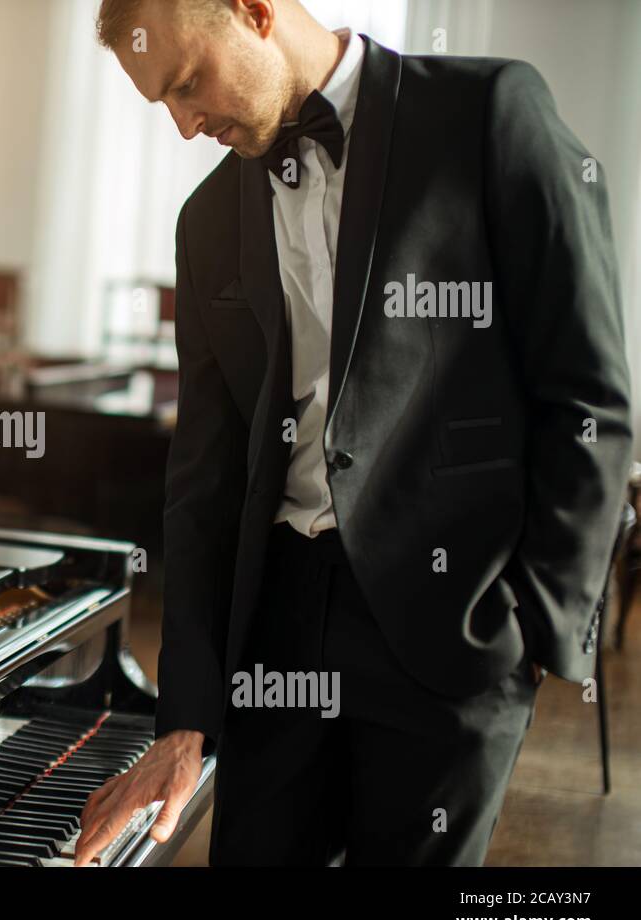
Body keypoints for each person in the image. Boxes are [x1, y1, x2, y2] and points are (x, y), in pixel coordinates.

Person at [76, 0, 631, 865]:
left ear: (255, 12)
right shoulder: (207, 221)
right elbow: (203, 480)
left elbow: (587, 395)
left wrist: (530, 625)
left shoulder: (487, 117)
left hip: (455, 629)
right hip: (278, 632)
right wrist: (185, 713)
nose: (186, 126)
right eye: (165, 106)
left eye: (189, 85)